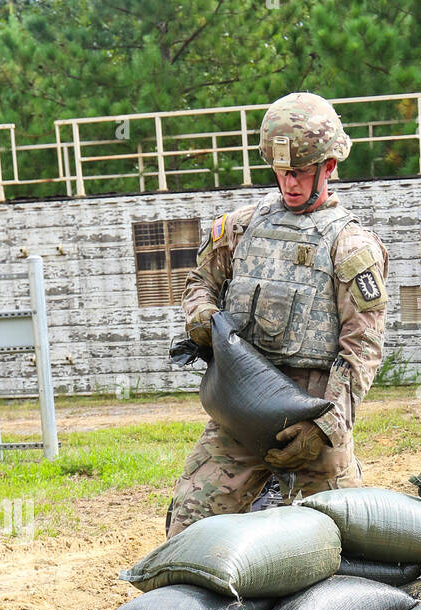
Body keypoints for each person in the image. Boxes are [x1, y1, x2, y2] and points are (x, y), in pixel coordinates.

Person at [167, 91, 389, 536]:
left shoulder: (351, 248)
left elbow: (361, 350)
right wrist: (201, 316)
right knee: (188, 527)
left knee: (346, 546)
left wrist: (322, 429)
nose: (289, 183)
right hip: (240, 410)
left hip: (313, 416)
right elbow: (200, 282)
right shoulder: (239, 229)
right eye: (282, 171)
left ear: (329, 166)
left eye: (302, 172)